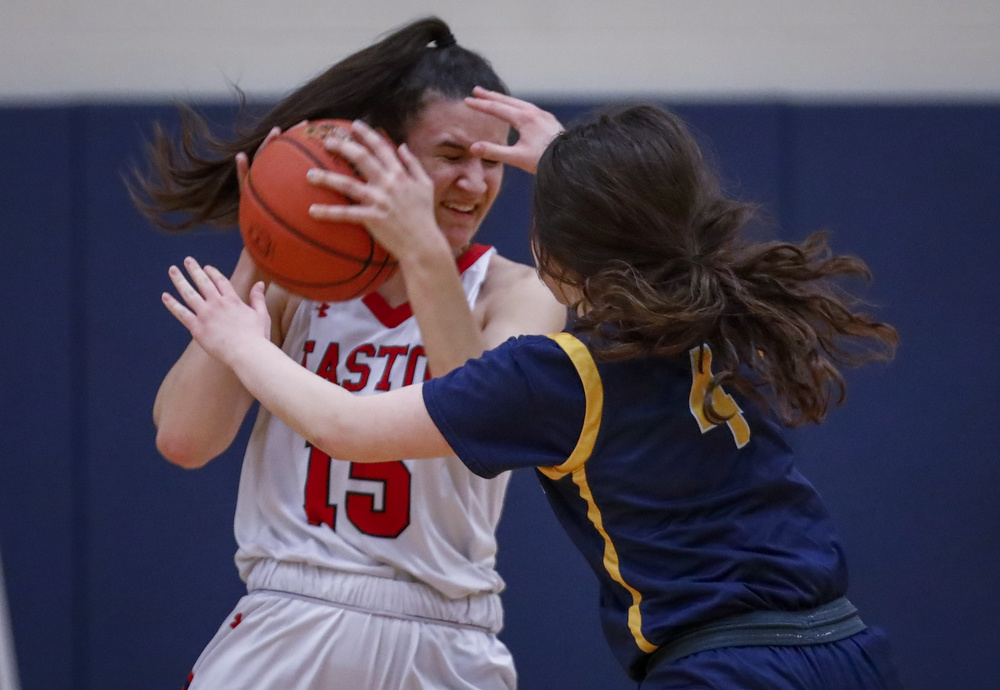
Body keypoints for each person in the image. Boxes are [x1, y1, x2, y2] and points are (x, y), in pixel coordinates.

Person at [162, 101, 906, 689]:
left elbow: (347, 426)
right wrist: (577, 166)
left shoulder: (562, 374)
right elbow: (656, 212)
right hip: (846, 647)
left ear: (553, 250)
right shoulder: (717, 308)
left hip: (728, 666)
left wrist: (240, 342)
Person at [132, 16, 567, 690]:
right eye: (452, 155)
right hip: (291, 612)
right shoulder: (293, 291)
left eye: (492, 161)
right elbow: (185, 440)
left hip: (448, 632)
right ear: (385, 154)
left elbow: (483, 420)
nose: (476, 182)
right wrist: (260, 249)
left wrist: (421, 245)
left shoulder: (518, 294)